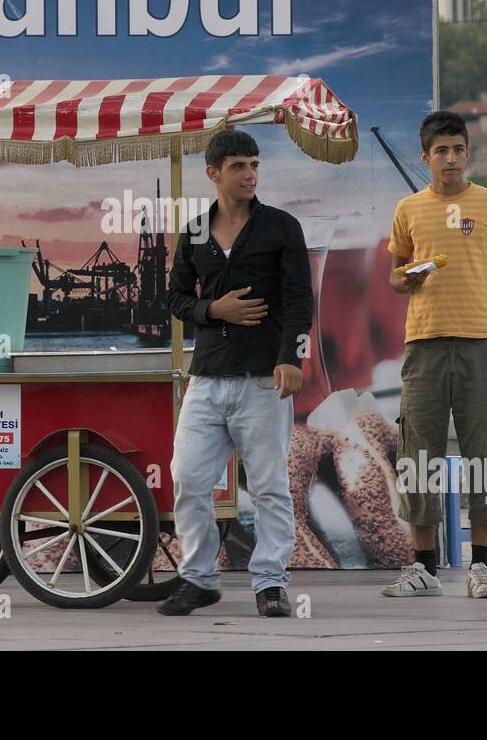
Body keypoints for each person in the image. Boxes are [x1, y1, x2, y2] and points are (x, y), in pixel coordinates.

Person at [158, 128, 313, 618]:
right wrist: (214, 309)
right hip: (205, 378)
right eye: (239, 166)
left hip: (264, 379)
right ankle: (199, 579)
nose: (250, 174)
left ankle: (270, 583)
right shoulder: (197, 231)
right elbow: (176, 298)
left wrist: (293, 357)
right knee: (187, 478)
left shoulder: (281, 227)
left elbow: (299, 300)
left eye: (254, 164)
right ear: (214, 174)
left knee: (268, 486)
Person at [382, 111, 487, 599]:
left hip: (480, 343)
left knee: (486, 454)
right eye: (440, 150)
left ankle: (480, 565)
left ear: (469, 153)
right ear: (425, 157)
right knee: (417, 455)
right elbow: (395, 277)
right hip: (422, 345)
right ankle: (423, 567)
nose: (450, 158)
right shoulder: (408, 209)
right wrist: (410, 278)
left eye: (458, 149)